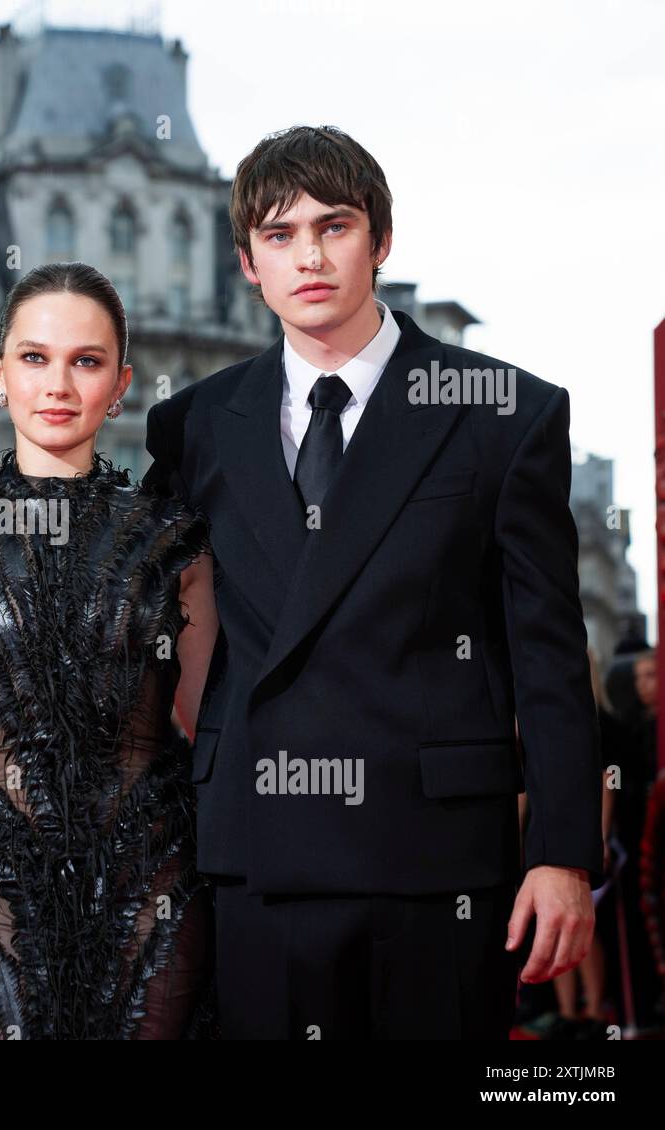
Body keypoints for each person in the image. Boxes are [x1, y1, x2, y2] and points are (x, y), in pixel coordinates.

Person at [143, 125, 603, 1039]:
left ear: (380, 241)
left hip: (436, 855)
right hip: (258, 844)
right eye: (279, 236)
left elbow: (548, 656)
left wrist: (561, 856)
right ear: (247, 264)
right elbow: (144, 618)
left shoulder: (504, 411)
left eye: (334, 226)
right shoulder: (191, 426)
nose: (308, 257)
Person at [0, 262, 219, 1039]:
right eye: (34, 357)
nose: (58, 384)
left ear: (120, 384)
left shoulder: (173, 539)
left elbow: (215, 723)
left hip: (150, 877)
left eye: (86, 361)